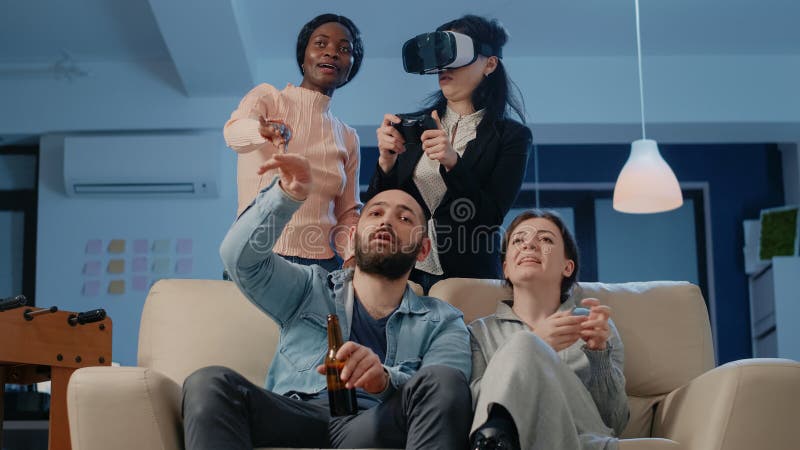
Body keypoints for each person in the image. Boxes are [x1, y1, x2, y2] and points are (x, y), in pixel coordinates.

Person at [182, 152, 472, 449]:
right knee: (209, 384)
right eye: (375, 213)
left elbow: (449, 389)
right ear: (354, 235)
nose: (386, 222)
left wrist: (384, 380)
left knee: (444, 380)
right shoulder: (310, 287)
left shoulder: (444, 321)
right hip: (296, 415)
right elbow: (239, 259)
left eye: (404, 218)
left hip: (375, 423)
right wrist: (286, 197)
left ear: (423, 250)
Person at [366, 15, 532, 293]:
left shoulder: (511, 137)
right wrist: (386, 162)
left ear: (490, 64)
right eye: (442, 54)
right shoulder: (411, 125)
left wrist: (453, 163)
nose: (445, 66)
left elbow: (490, 216)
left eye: (457, 54)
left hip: (468, 277)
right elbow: (378, 207)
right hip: (403, 272)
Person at [468, 210, 629, 450]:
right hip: (517, 436)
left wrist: (599, 356)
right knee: (526, 342)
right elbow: (476, 408)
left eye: (545, 239)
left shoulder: (592, 326)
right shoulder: (480, 332)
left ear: (567, 266)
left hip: (578, 436)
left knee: (525, 342)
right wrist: (534, 343)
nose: (530, 244)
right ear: (506, 269)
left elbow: (612, 421)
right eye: (518, 240)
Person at [223, 14, 364, 272]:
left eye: (344, 49)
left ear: (350, 69)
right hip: (256, 257)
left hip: (322, 268)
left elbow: (347, 213)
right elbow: (233, 134)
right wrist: (261, 130)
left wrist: (352, 256)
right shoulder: (269, 97)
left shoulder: (348, 136)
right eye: (321, 44)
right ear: (303, 57)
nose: (332, 53)